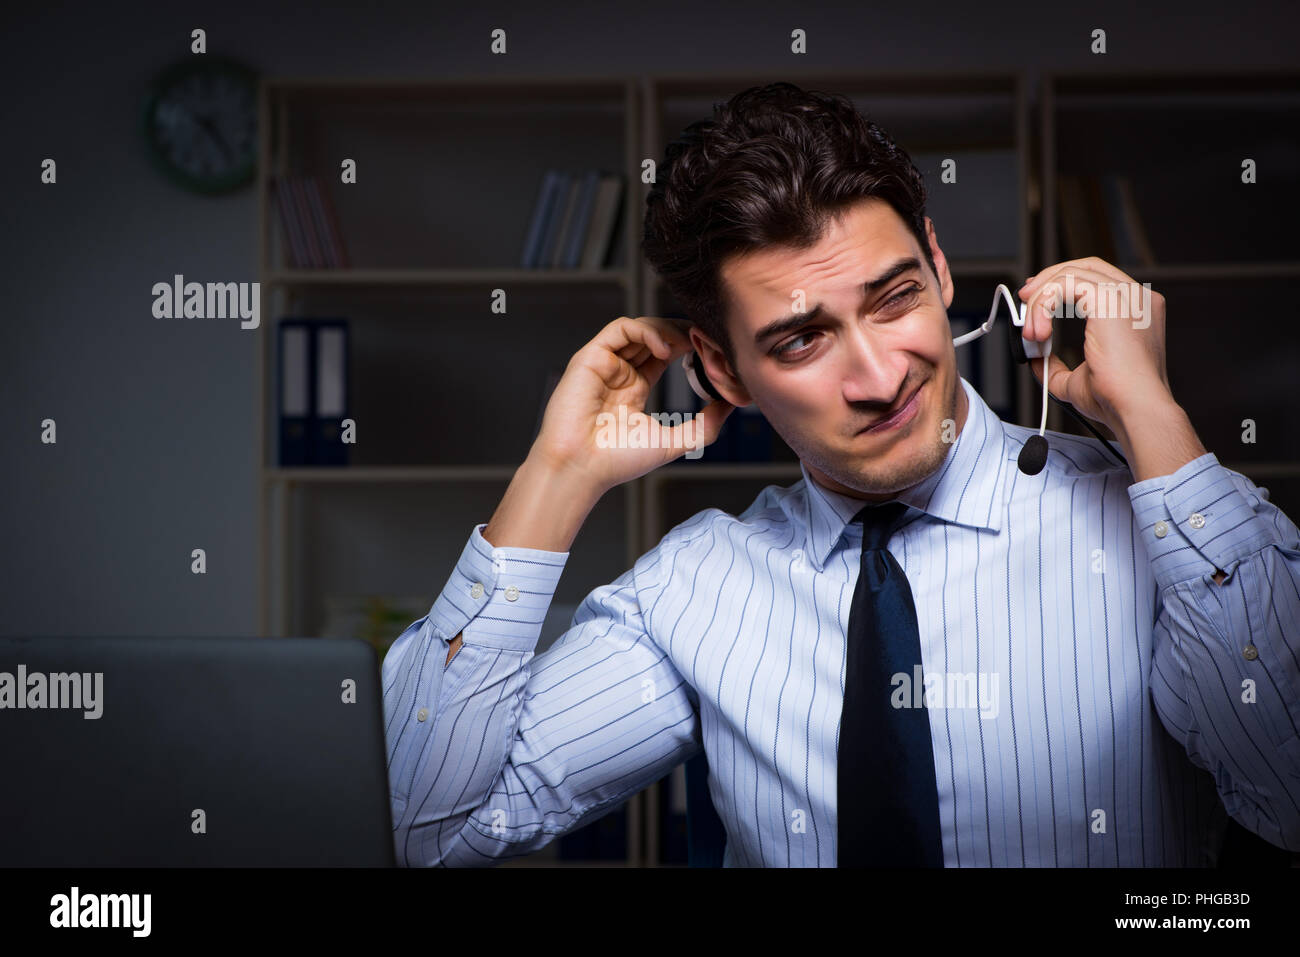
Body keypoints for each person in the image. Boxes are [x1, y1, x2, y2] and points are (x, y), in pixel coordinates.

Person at [381, 82, 1300, 867]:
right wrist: (556, 475)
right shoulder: (694, 586)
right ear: (725, 370)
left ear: (940, 270)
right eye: (803, 338)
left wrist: (1157, 423)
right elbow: (439, 829)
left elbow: (1287, 795)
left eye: (895, 296)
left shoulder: (1154, 524)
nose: (881, 375)